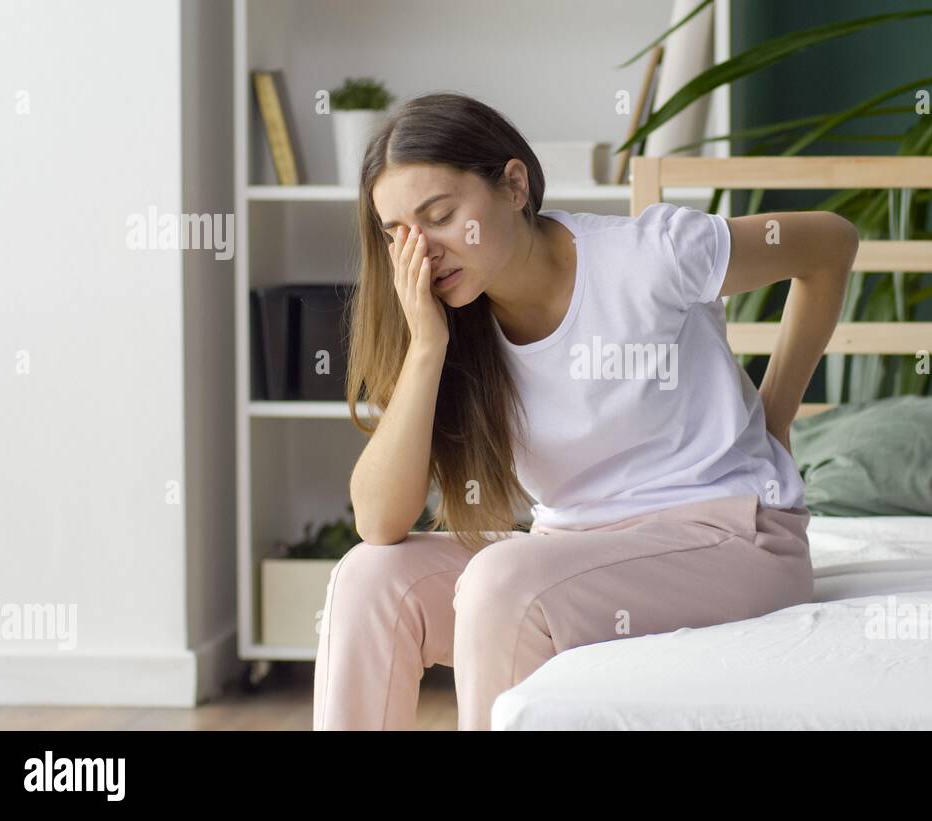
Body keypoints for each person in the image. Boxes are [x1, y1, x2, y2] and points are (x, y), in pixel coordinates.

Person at [313, 91, 858, 730]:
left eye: (439, 215)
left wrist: (775, 415)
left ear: (514, 185)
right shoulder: (445, 319)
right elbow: (378, 522)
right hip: (576, 552)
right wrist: (428, 345)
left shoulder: (652, 255)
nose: (420, 253)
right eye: (397, 235)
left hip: (734, 540)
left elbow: (830, 244)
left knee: (502, 580)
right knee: (369, 579)